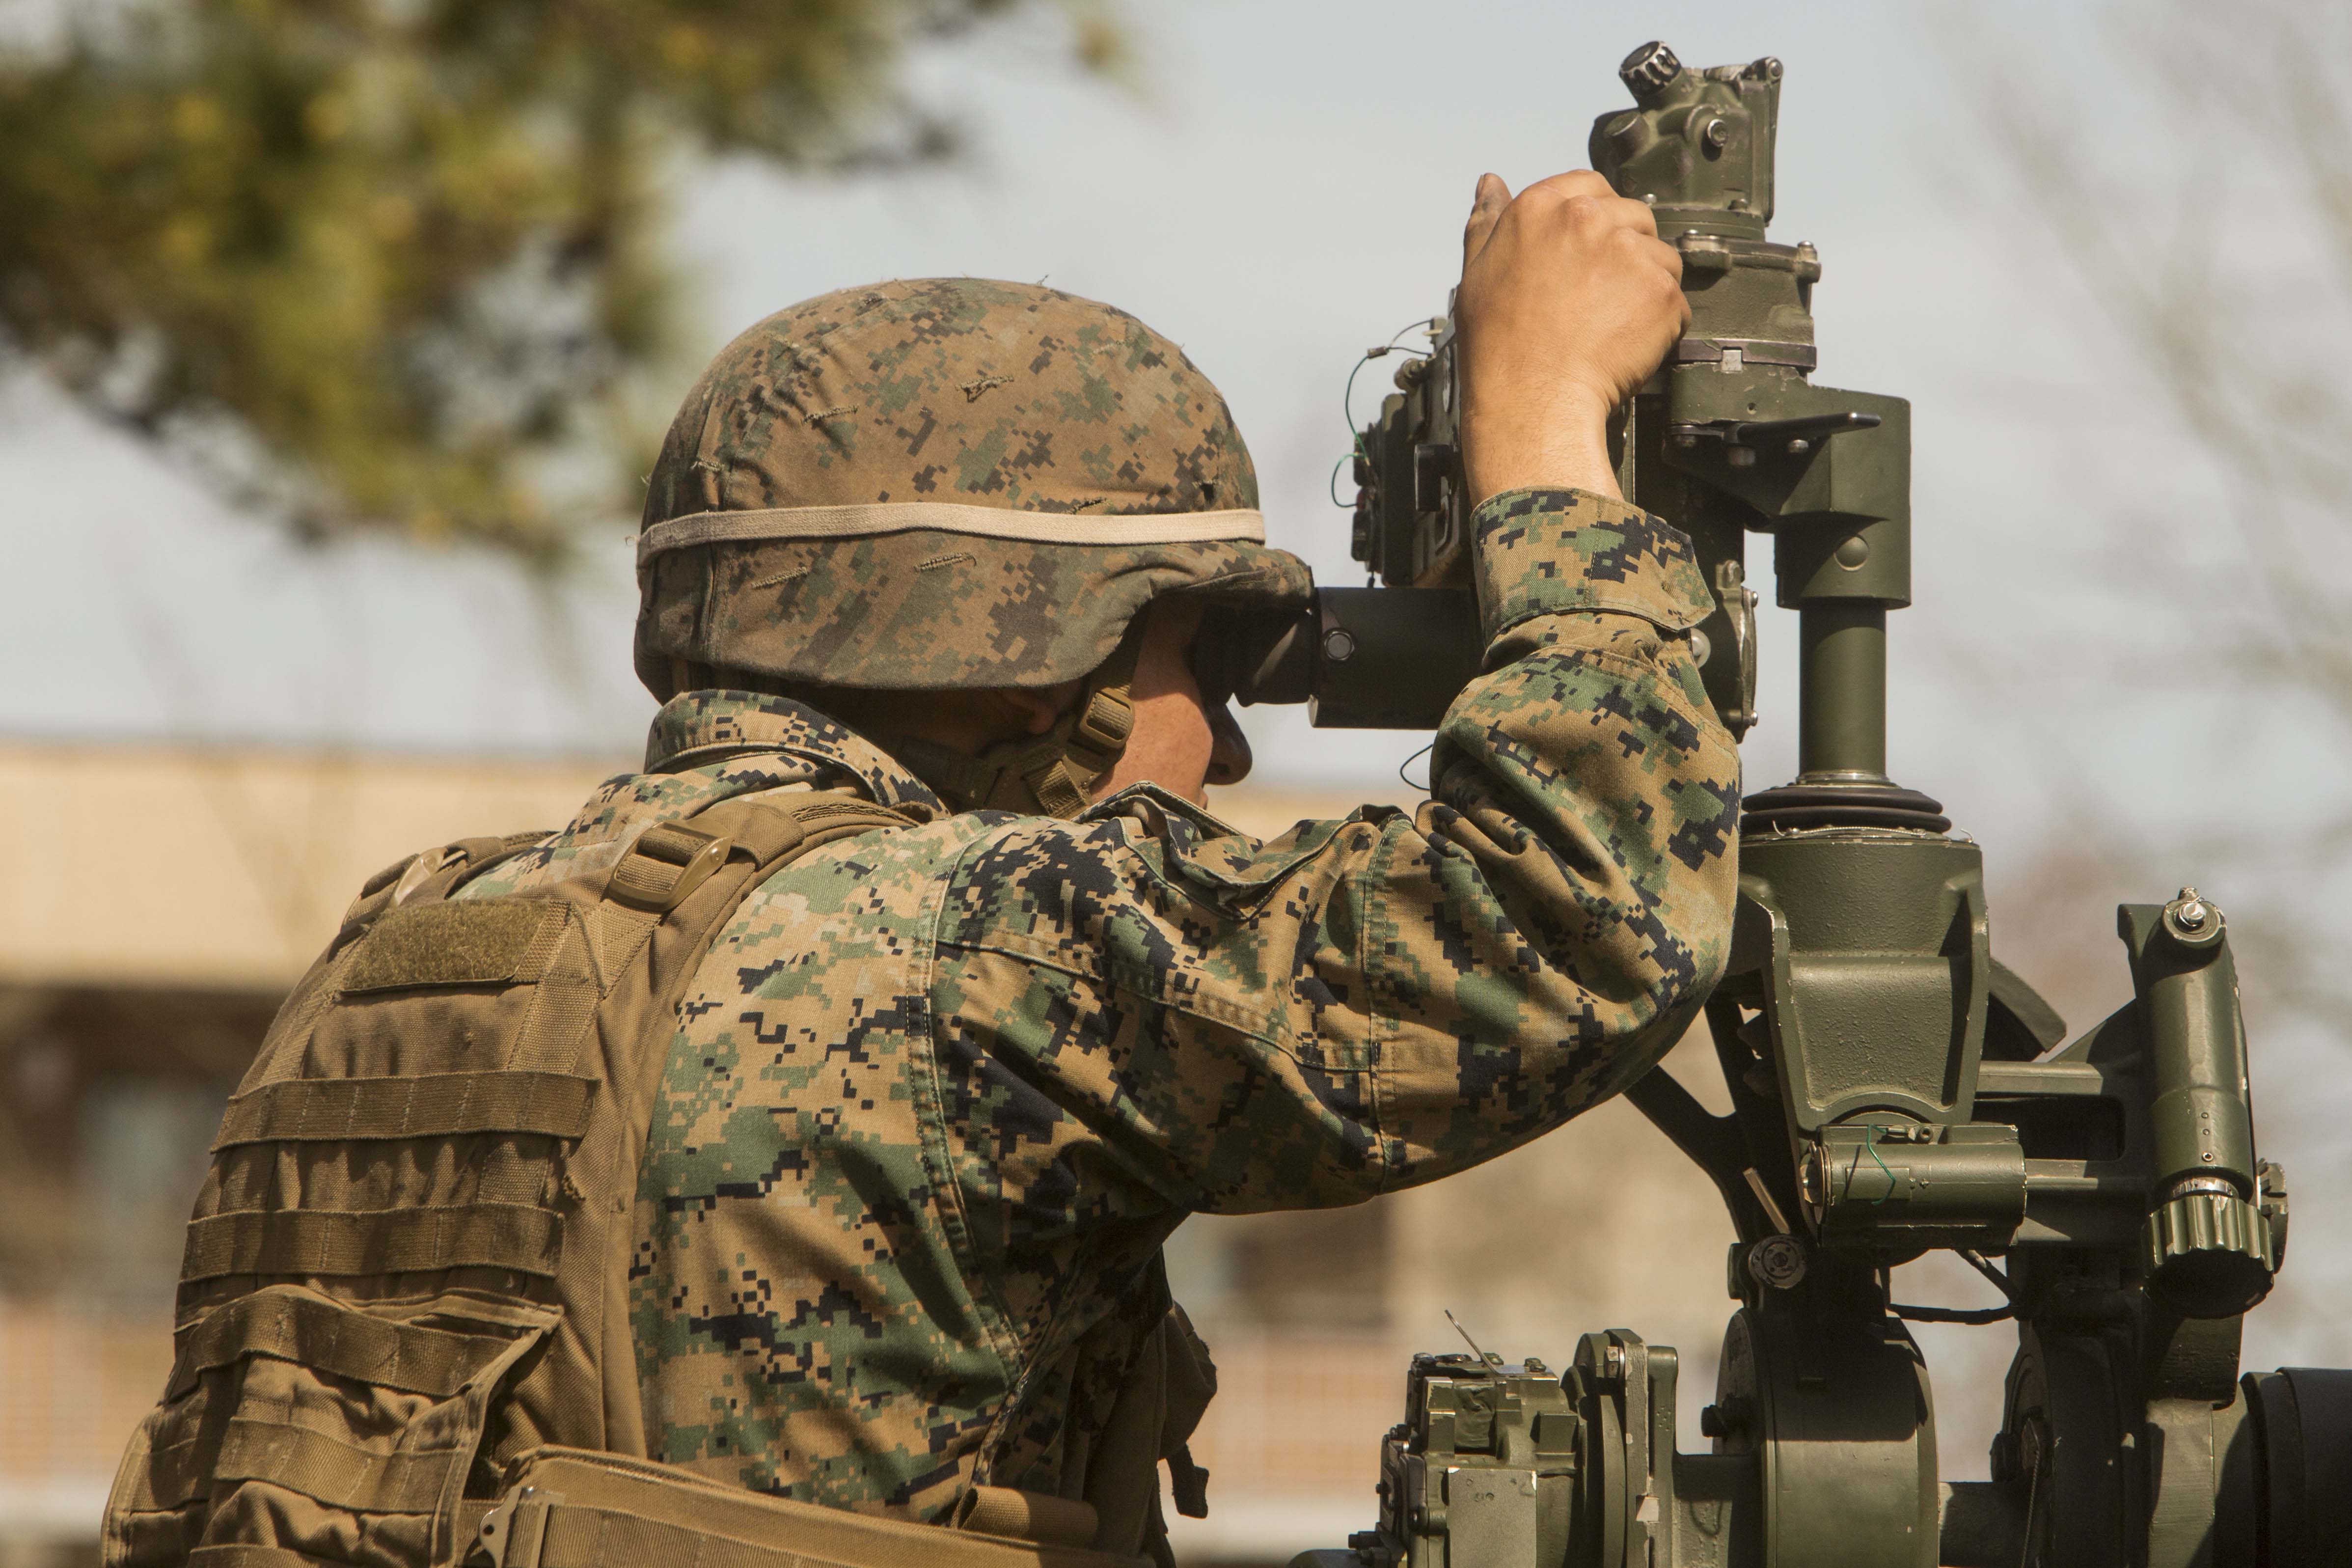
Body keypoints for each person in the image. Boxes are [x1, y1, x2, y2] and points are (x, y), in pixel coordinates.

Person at [105, 171, 1736, 1568]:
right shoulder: (966, 954)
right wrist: (1541, 433)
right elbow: (1571, 920)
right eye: (1201, 659)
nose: (1226, 748)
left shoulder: (402, 943)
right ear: (1032, 665)